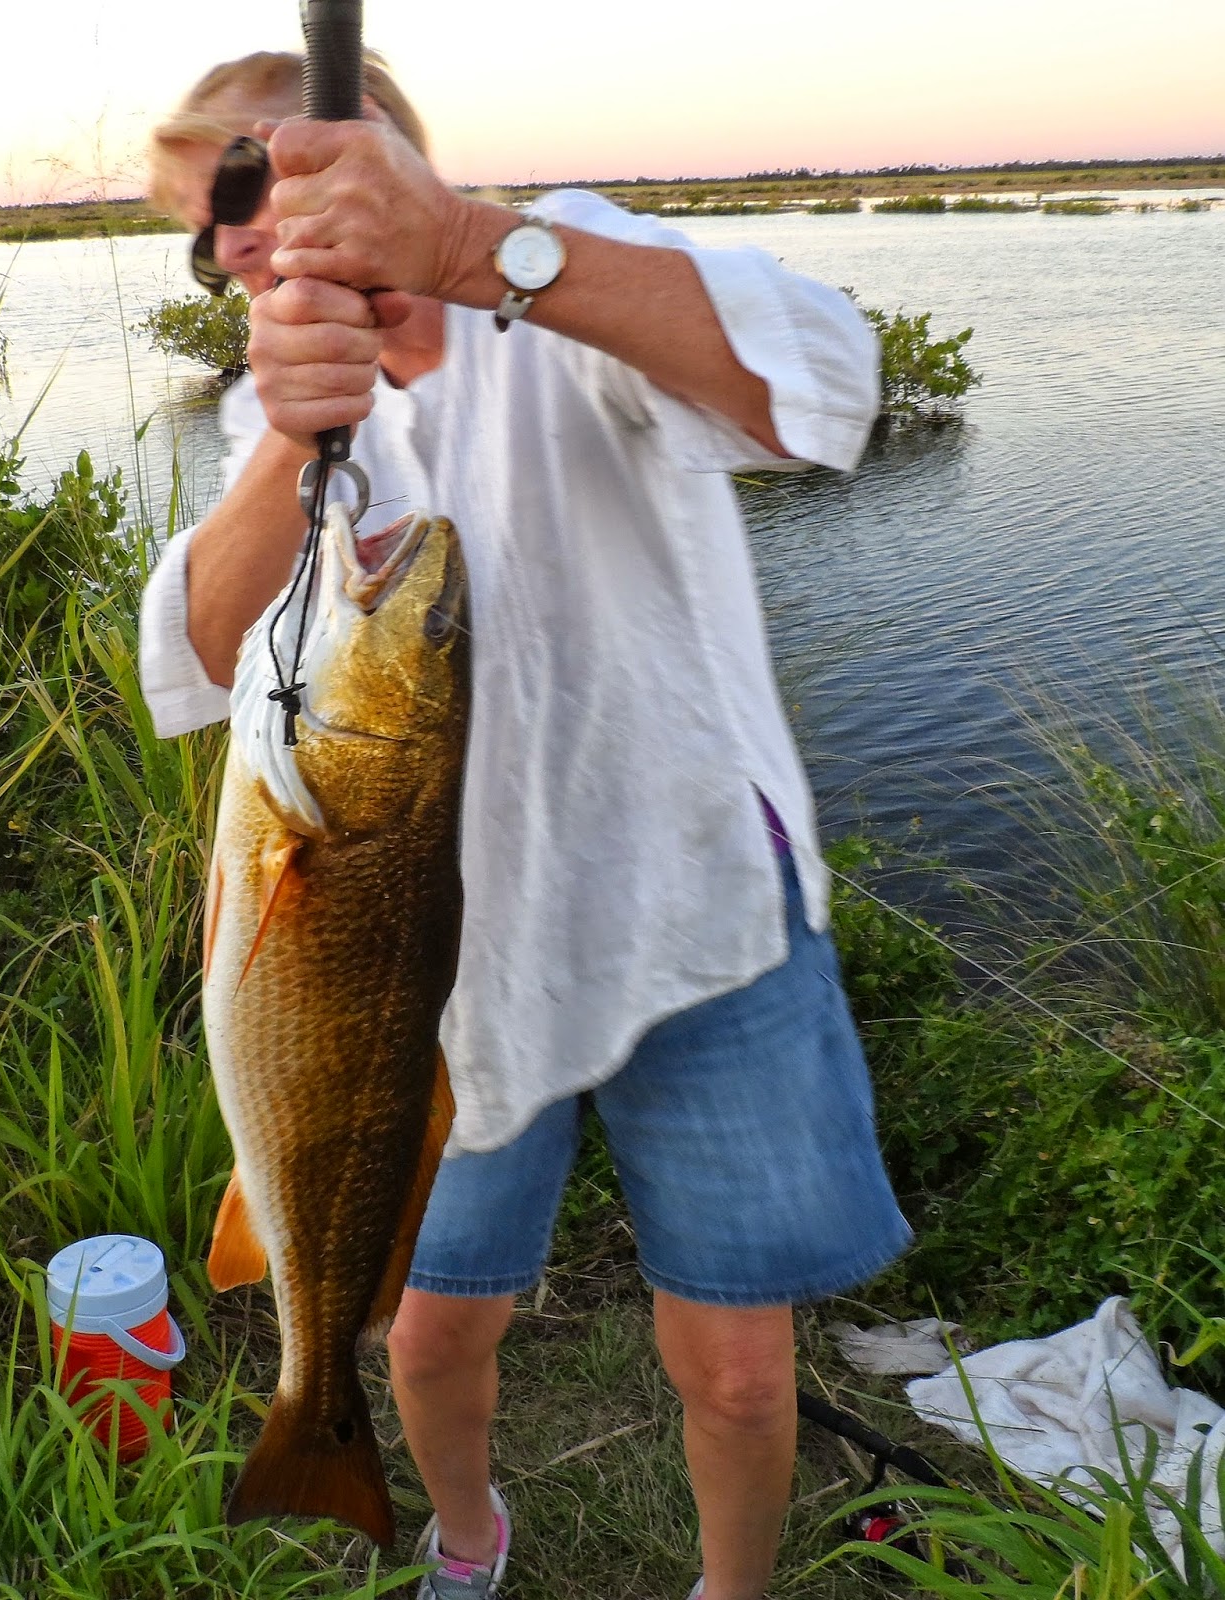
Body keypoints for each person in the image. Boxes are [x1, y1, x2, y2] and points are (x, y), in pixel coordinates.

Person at [139, 49, 911, 1600]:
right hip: (434, 979)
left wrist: (476, 248)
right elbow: (205, 662)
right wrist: (293, 433)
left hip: (697, 917)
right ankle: (466, 1543)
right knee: (421, 1331)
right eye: (198, 231)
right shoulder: (287, 409)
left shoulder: (558, 274)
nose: (227, 247)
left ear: (381, 168)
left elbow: (826, 382)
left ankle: (730, 1588)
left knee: (745, 1374)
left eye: (242, 189)